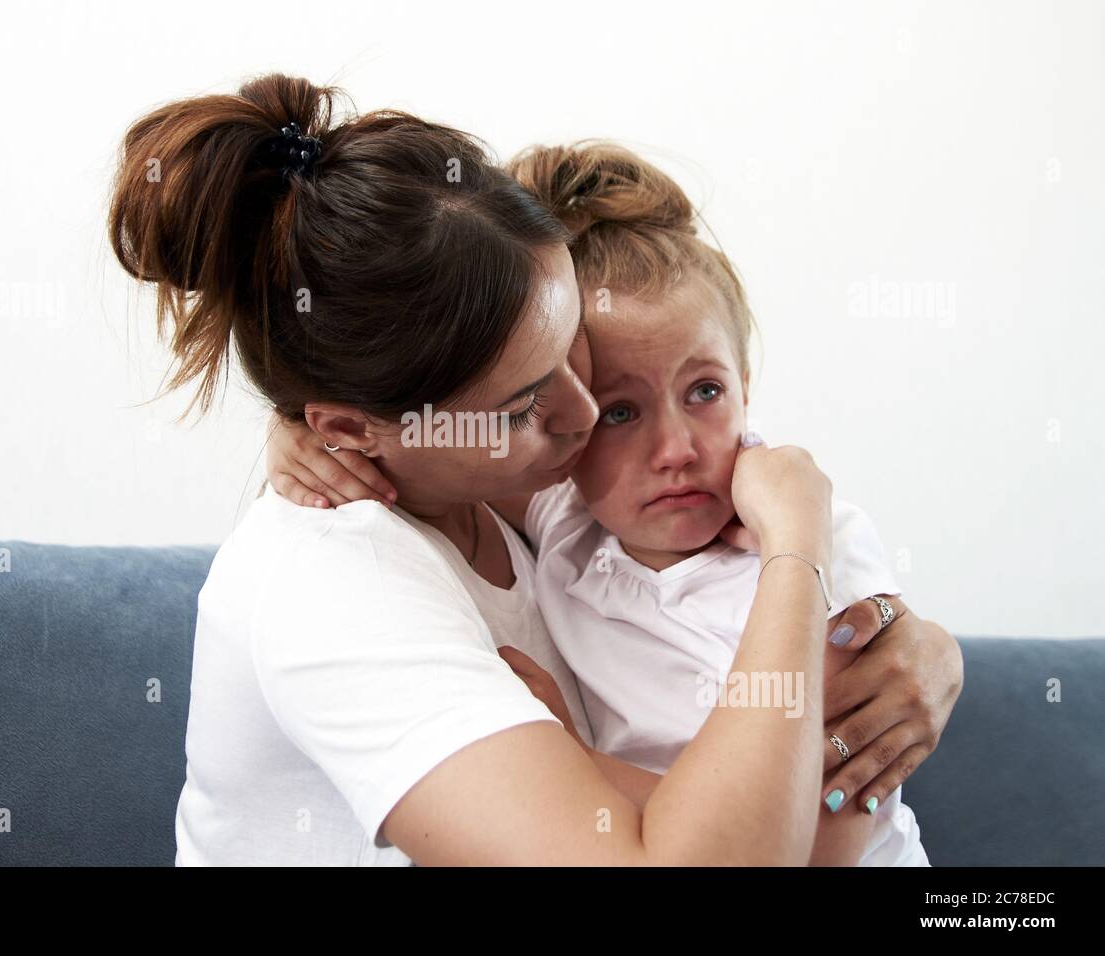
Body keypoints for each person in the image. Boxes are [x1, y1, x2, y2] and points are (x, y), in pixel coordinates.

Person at [108, 72, 963, 865]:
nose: (584, 420)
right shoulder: (332, 584)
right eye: (523, 407)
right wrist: (797, 555)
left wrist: (931, 653)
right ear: (356, 429)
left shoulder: (510, 493)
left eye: (574, 361)